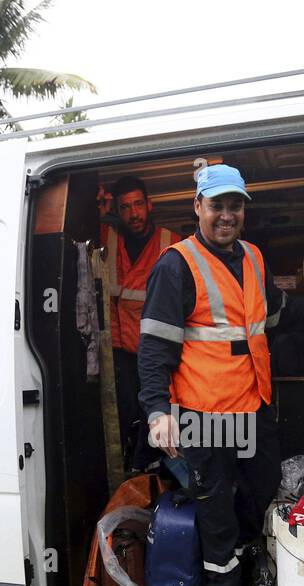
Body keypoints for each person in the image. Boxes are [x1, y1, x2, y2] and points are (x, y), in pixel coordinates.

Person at [138, 164, 286, 586]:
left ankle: (246, 567)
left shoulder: (254, 256)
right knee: (215, 501)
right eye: (217, 205)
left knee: (262, 490)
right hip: (204, 410)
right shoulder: (176, 263)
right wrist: (158, 410)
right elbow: (155, 346)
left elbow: (272, 312)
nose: (227, 215)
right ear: (197, 207)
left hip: (253, 403)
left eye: (235, 205)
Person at [101, 176, 181, 472]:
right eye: (124, 207)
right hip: (117, 355)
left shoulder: (171, 243)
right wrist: (99, 204)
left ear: (150, 205)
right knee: (123, 418)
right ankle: (132, 475)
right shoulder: (107, 239)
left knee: (159, 417)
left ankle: (155, 474)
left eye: (138, 205)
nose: (133, 213)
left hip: (159, 352)